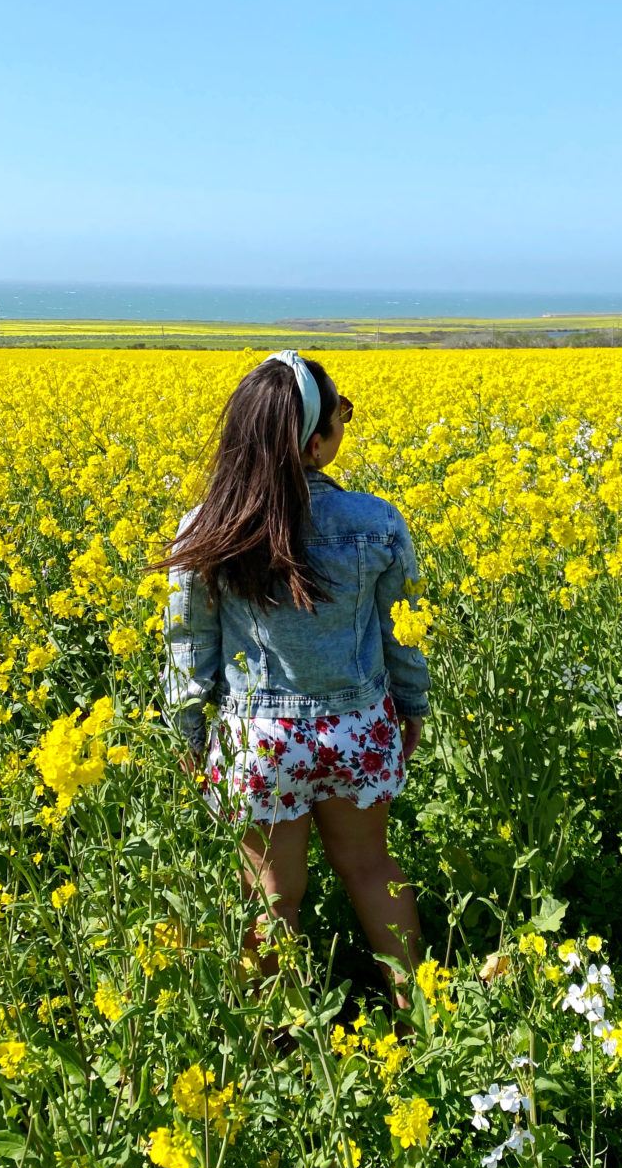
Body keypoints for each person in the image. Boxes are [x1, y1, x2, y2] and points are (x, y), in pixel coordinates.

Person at [152, 350, 431, 1008]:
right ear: (315, 441)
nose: (345, 422)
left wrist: (190, 735)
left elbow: (187, 647)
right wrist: (411, 704)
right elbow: (402, 629)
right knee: (371, 869)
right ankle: (419, 1012)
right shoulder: (376, 522)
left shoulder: (209, 527)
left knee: (271, 895)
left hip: (260, 743)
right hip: (358, 730)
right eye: (341, 412)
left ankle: (274, 1040)